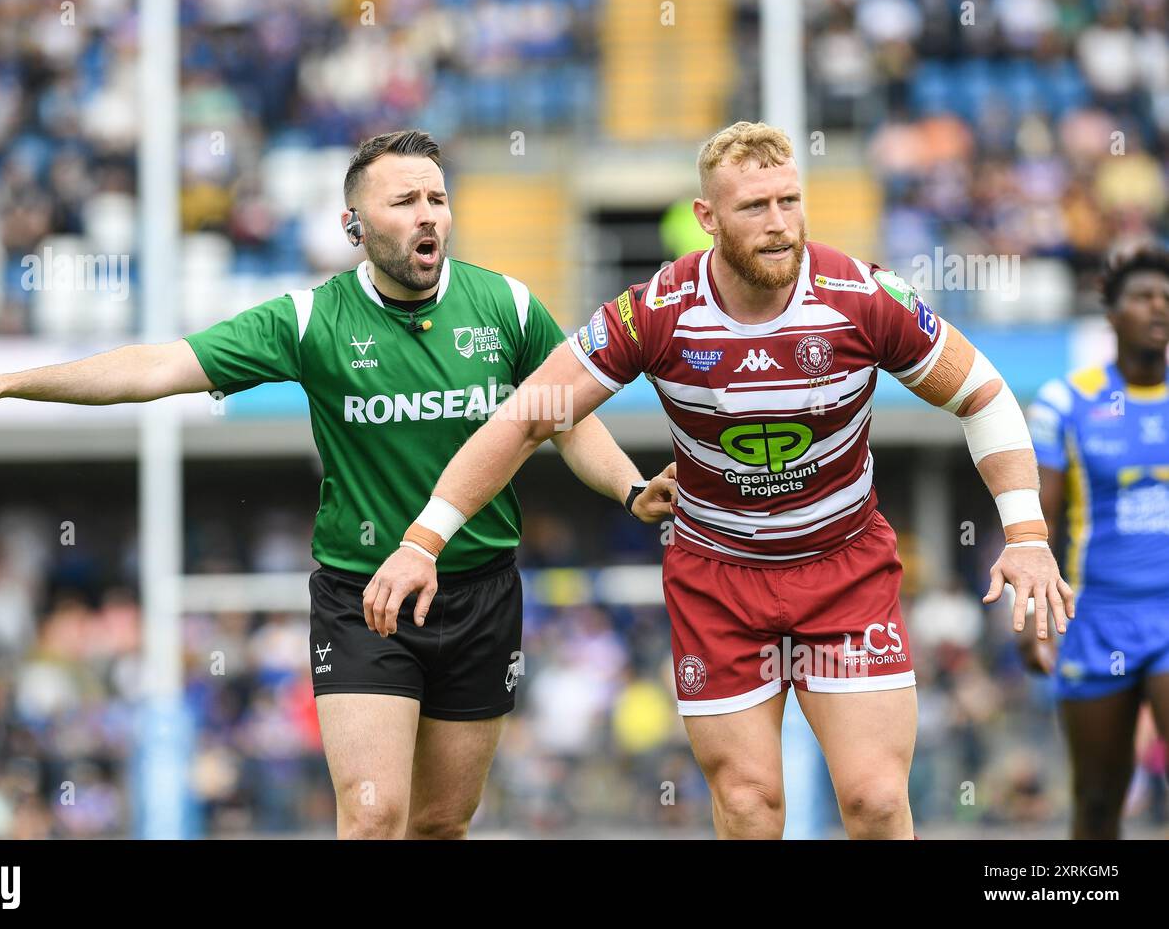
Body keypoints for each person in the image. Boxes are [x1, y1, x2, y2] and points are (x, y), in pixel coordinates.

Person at [0, 129, 674, 839]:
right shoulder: (309, 321)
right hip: (364, 598)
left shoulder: (506, 305)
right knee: (373, 819)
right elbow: (157, 366)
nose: (428, 214)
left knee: (441, 824)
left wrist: (629, 488)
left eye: (437, 198)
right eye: (403, 201)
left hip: (481, 594)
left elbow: (566, 419)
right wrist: (10, 382)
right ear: (354, 227)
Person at [365, 121, 1074, 839]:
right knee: (748, 805)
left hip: (844, 571)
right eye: (754, 208)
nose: (778, 225)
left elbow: (981, 393)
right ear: (707, 218)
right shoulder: (656, 312)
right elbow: (526, 418)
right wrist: (423, 542)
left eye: (789, 202)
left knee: (876, 802)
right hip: (718, 579)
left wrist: (1025, 533)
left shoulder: (862, 296)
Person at [1023, 244, 1169, 838]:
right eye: (1142, 297)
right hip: (1094, 618)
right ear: (1110, 313)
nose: (1158, 306)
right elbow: (1039, 522)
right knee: (1097, 802)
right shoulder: (1067, 402)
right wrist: (1034, 616)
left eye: (1166, 298)